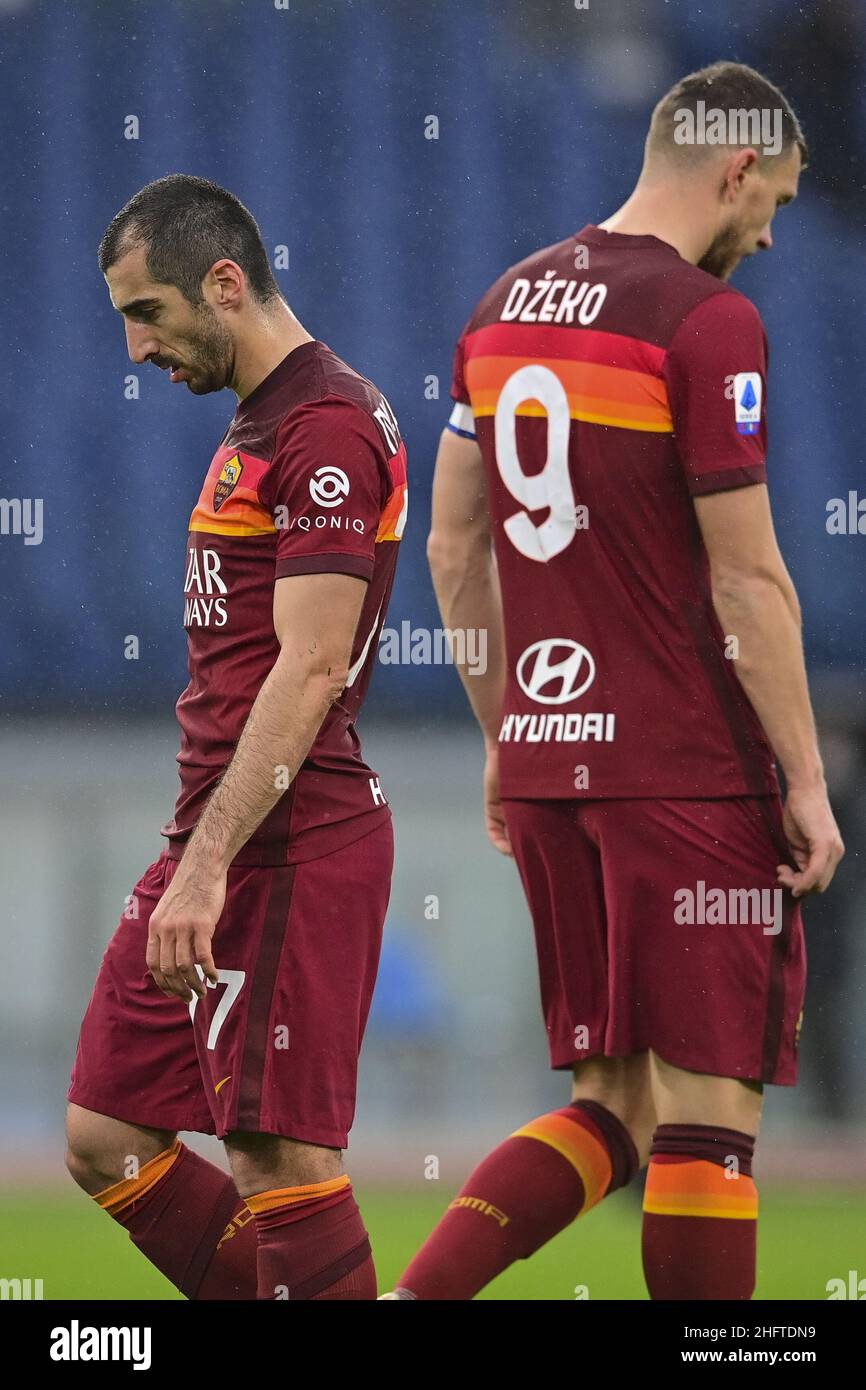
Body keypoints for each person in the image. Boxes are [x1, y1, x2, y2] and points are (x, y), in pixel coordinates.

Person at [385, 62, 843, 1301]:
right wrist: (804, 777)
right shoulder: (704, 320)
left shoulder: (499, 306)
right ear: (735, 168)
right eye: (777, 201)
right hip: (682, 770)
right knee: (707, 1114)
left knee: (611, 1104)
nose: (766, 229)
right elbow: (748, 582)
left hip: (547, 763)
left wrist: (502, 731)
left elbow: (448, 543)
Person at [65, 174, 408, 1301]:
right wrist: (195, 853)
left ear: (224, 282)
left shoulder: (324, 429)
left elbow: (310, 668)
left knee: (279, 1160)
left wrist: (206, 867)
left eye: (147, 311)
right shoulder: (265, 420)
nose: (133, 348)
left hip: (289, 839)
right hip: (214, 828)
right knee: (106, 1128)